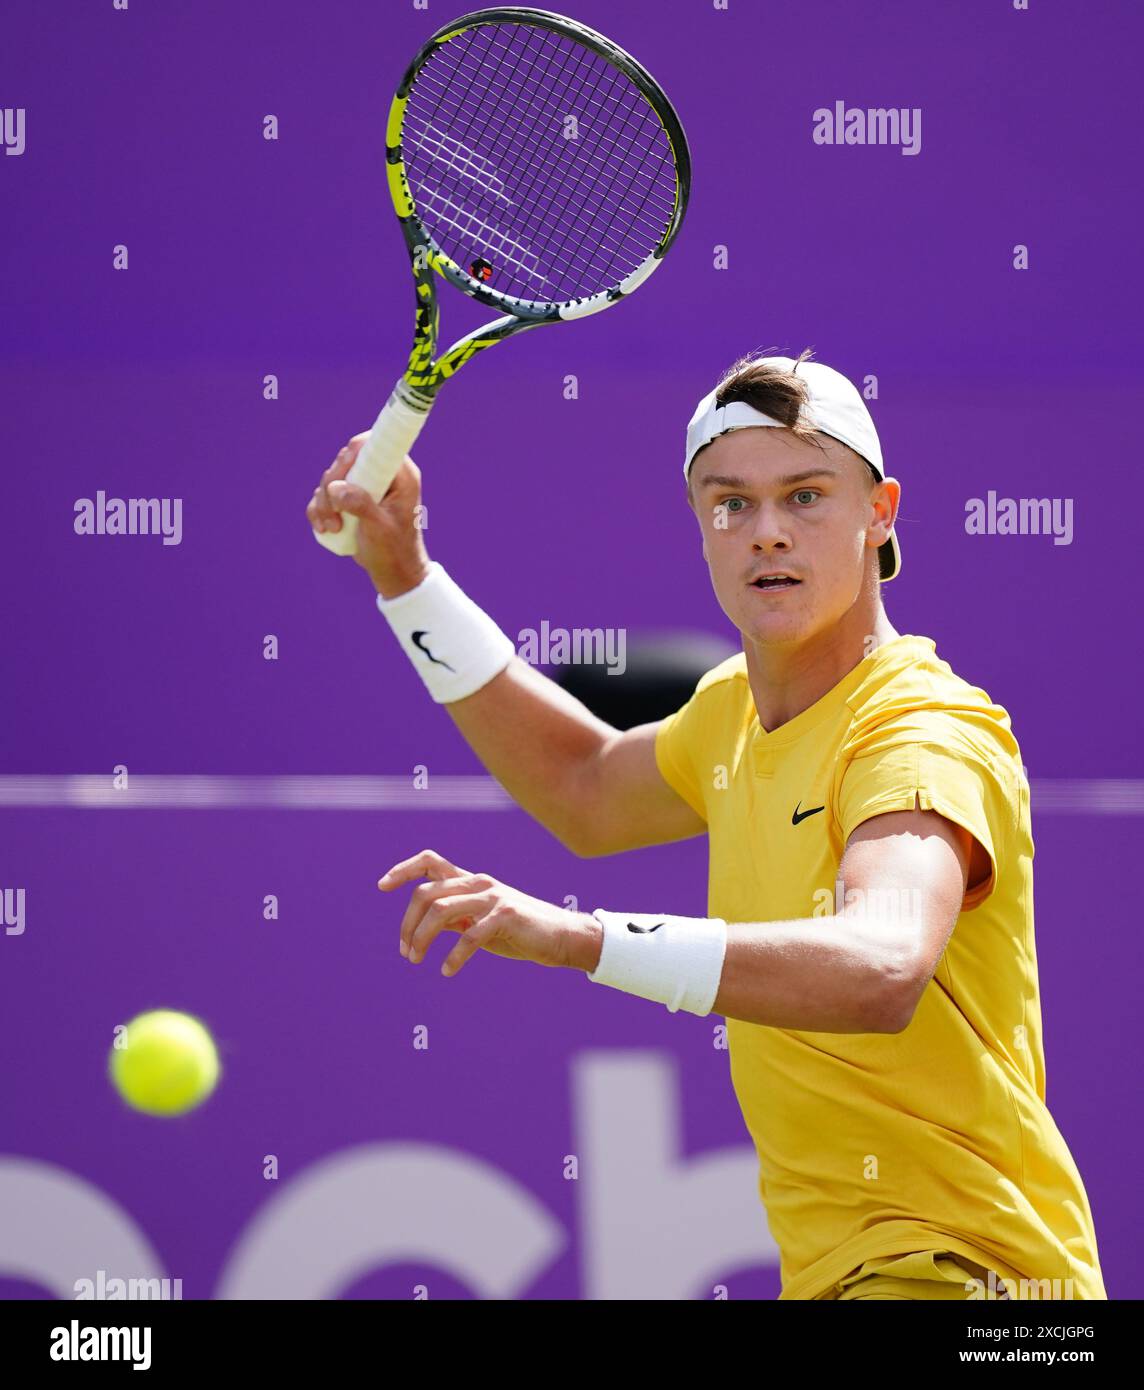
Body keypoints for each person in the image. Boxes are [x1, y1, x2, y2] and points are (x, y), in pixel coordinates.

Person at [306, 349, 1105, 1302]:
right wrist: (404, 577)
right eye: (731, 504)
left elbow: (883, 966)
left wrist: (579, 938)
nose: (767, 533)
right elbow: (583, 786)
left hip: (977, 1286)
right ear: (700, 528)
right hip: (852, 1276)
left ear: (880, 513)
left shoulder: (920, 728)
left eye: (806, 496)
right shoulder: (729, 709)